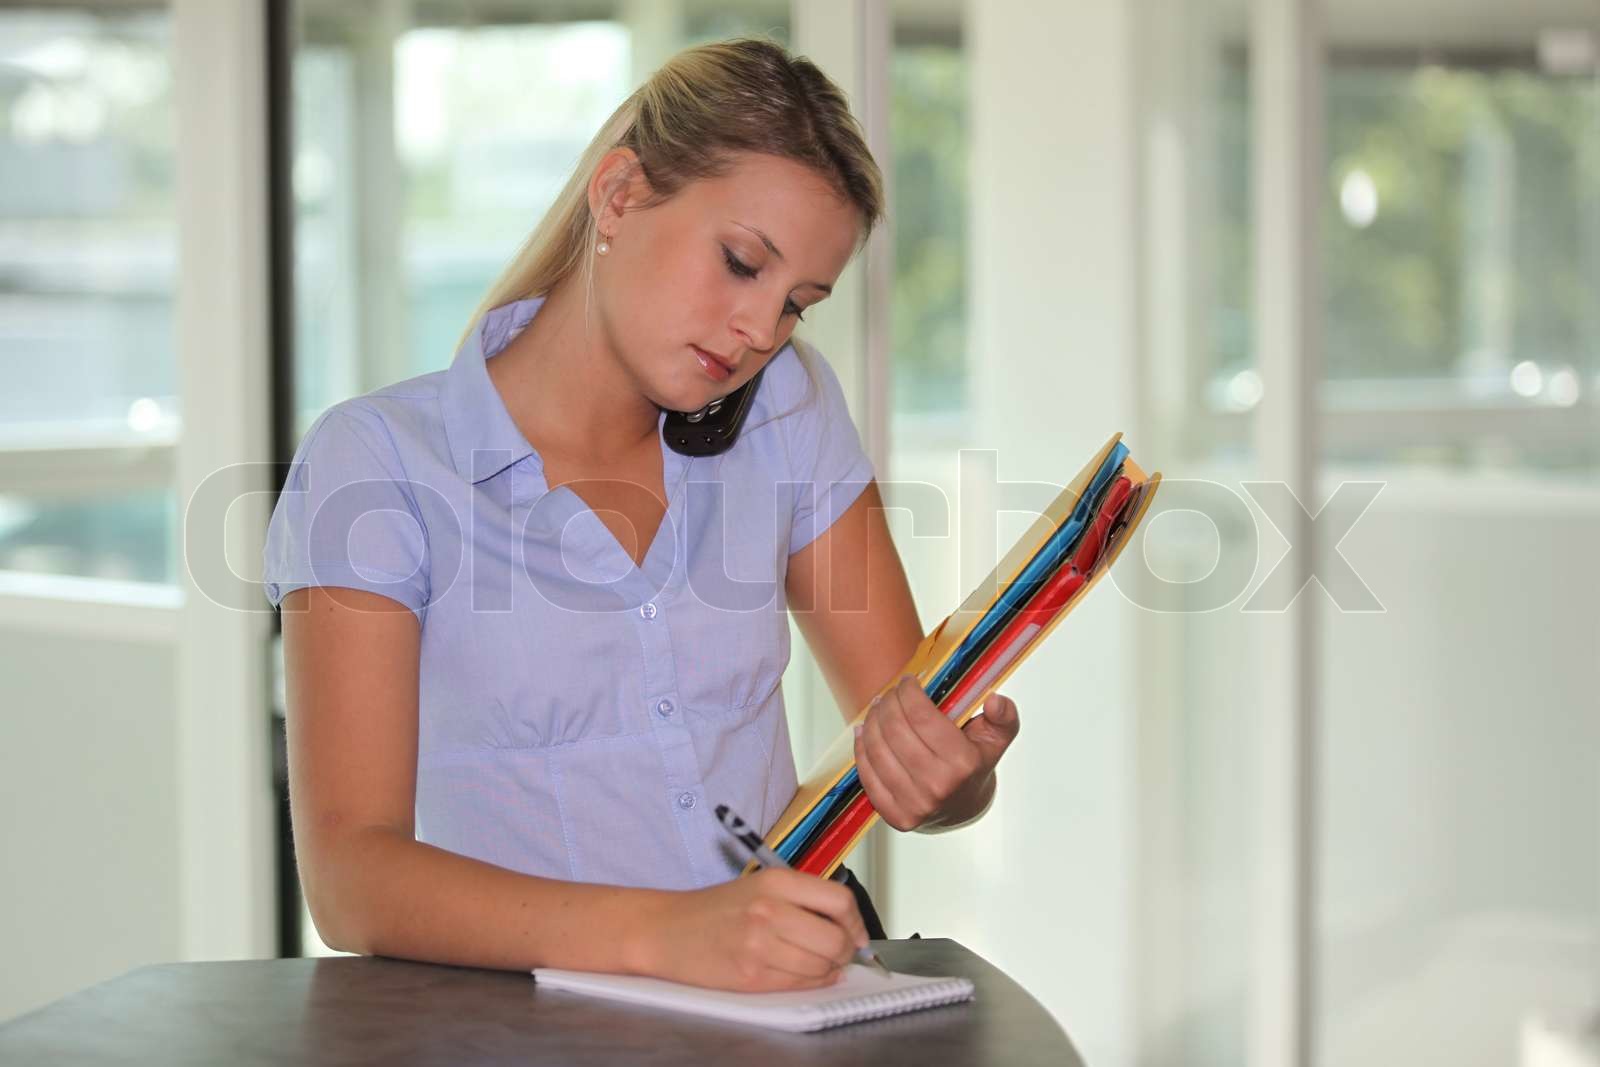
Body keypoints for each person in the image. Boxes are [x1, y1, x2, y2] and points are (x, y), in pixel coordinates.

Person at [263, 37, 1019, 994]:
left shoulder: (788, 406)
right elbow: (351, 881)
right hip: (519, 1038)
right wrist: (674, 935)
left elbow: (909, 739)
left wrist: (952, 778)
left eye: (798, 304)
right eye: (742, 262)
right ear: (618, 195)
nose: (761, 331)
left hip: (788, 1016)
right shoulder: (377, 462)